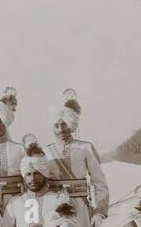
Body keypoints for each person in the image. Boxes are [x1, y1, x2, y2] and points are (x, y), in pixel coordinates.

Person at [45, 89, 109, 219]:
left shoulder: (86, 148)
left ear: (71, 125)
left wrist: (100, 211)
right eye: (56, 126)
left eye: (64, 125)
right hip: (54, 208)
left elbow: (99, 181)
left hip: (82, 208)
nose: (61, 130)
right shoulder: (46, 152)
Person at [2, 140, 63, 227]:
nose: (33, 179)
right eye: (28, 174)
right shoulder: (15, 203)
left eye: (37, 173)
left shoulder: (59, 200)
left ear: (44, 174)